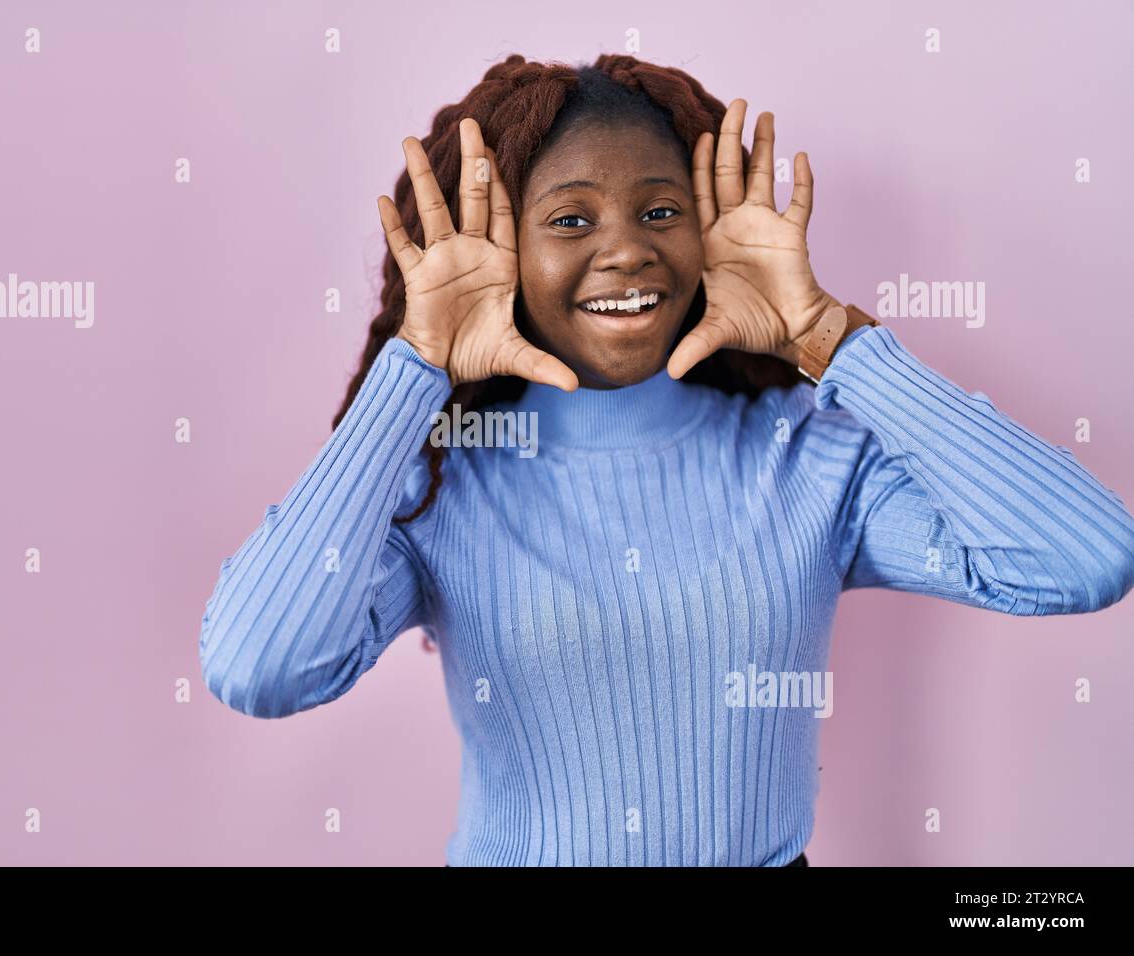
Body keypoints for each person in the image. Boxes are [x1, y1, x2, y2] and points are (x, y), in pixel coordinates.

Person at [198, 54, 1134, 866]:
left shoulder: (809, 452)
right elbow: (262, 667)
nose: (628, 252)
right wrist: (416, 368)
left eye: (661, 211)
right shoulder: (446, 475)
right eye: (569, 221)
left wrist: (830, 339)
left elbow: (1085, 558)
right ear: (497, 248)